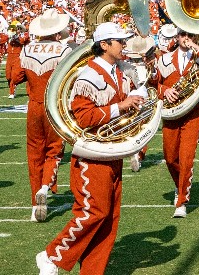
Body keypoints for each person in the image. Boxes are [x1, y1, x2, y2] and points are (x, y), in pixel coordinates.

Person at [38, 22, 146, 275]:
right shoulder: (89, 75)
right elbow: (84, 117)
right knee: (94, 212)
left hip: (112, 152)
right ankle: (52, 255)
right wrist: (122, 106)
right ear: (104, 45)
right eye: (120, 41)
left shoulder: (119, 71)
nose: (125, 45)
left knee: (109, 220)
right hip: (92, 155)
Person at [154, 22, 199, 218]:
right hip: (171, 113)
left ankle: (182, 201)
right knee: (170, 157)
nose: (186, 38)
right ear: (176, 37)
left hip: (193, 114)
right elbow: (152, 84)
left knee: (186, 158)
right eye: (182, 34)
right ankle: (179, 184)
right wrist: (164, 90)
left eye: (190, 35)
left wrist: (197, 48)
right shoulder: (164, 59)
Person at [20, 10, 74, 221]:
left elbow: (16, 75)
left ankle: (35, 205)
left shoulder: (26, 49)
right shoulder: (64, 50)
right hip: (53, 106)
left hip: (33, 105)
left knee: (34, 154)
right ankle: (44, 187)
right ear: (57, 32)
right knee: (54, 151)